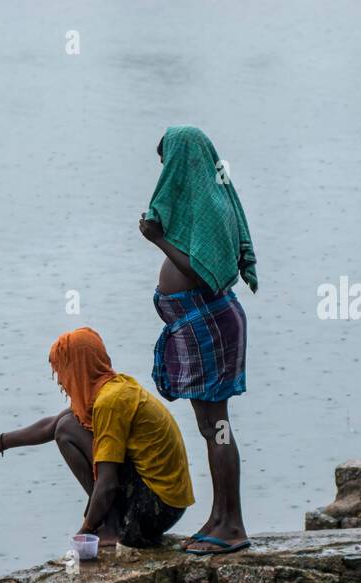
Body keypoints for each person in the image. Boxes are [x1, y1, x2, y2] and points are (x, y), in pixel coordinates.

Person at [138, 125, 257, 555]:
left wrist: (158, 240)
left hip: (208, 321)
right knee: (213, 427)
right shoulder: (202, 200)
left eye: (168, 164)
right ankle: (221, 518)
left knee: (217, 426)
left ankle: (233, 526)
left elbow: (203, 272)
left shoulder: (208, 206)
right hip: (201, 322)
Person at [0, 327, 193, 550]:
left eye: (62, 371)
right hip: (163, 503)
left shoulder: (110, 402)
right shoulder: (111, 387)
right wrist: (2, 441)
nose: (60, 381)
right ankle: (111, 522)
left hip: (154, 509)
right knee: (66, 423)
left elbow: (107, 482)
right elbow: (53, 424)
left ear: (79, 369)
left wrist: (86, 531)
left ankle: (112, 527)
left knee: (67, 431)